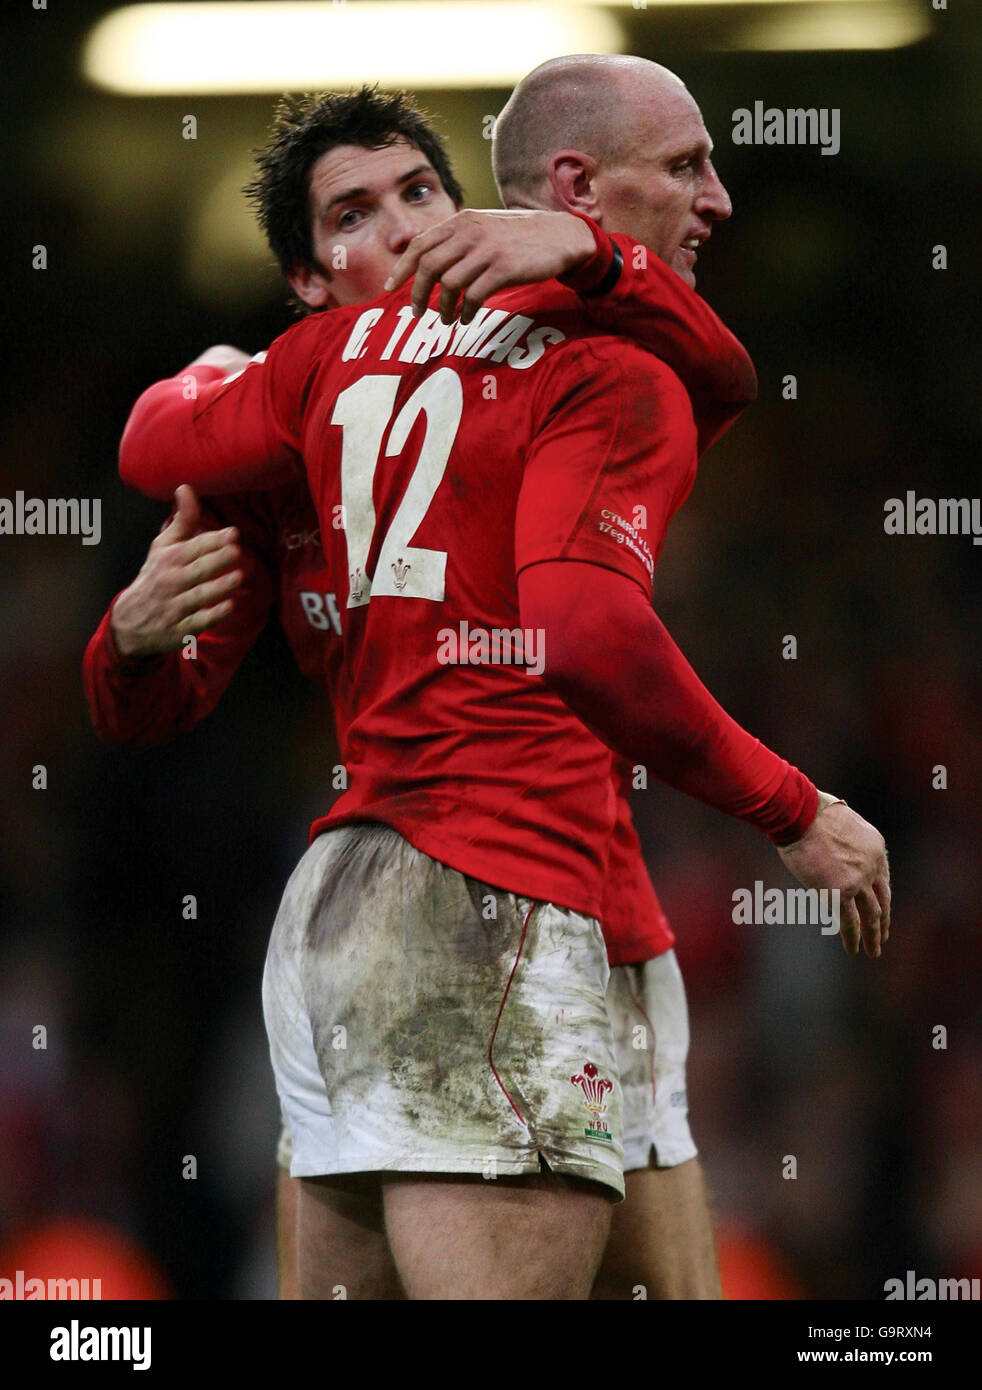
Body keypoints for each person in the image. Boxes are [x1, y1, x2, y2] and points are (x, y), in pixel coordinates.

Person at [115, 66, 889, 1299]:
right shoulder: (596, 366)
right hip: (494, 901)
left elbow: (152, 438)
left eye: (422, 189)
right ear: (308, 278)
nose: (406, 225)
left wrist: (208, 378)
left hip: (520, 907)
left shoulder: (308, 380)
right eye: (353, 214)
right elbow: (596, 610)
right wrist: (795, 808)